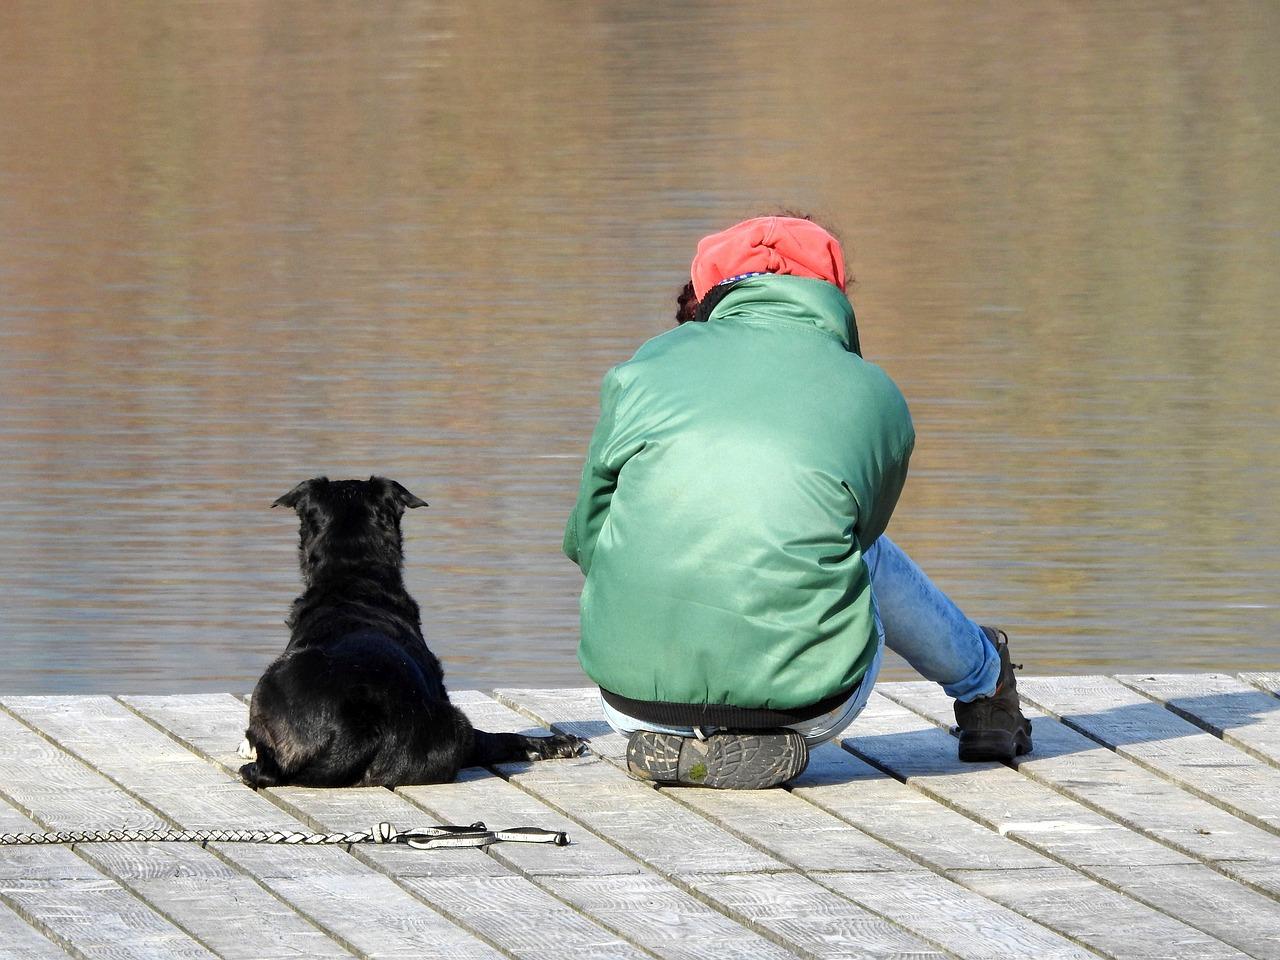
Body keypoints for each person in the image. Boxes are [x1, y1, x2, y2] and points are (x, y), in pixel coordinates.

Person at [564, 215, 1031, 789]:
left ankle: (686, 735)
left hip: (629, 702)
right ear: (830, 292)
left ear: (707, 288)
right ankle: (987, 685)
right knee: (854, 550)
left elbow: (586, 539)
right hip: (808, 707)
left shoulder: (642, 369)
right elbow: (856, 540)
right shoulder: (872, 392)